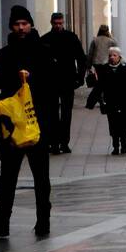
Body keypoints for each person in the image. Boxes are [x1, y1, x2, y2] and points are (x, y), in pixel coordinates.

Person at [0, 5, 55, 238]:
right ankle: (2, 221)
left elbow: (54, 87)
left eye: (24, 23)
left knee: (41, 176)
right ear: (11, 27)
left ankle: (43, 221)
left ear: (31, 25)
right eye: (17, 24)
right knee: (8, 174)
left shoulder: (43, 51)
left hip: (36, 123)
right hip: (10, 126)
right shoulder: (3, 54)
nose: (21, 27)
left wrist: (33, 79)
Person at [42, 12, 87, 154]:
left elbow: (80, 57)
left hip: (68, 80)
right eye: (56, 23)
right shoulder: (45, 39)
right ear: (51, 23)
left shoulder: (71, 37)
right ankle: (54, 142)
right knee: (52, 113)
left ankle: (64, 142)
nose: (58, 26)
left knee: (66, 113)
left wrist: (80, 77)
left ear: (63, 23)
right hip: (50, 81)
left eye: (60, 23)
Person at [96, 46, 126, 155]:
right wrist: (95, 101)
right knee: (113, 125)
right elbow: (99, 86)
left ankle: (124, 144)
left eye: (114, 55)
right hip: (111, 102)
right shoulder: (105, 69)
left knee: (125, 125)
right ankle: (115, 146)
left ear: (119, 57)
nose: (112, 57)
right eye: (110, 55)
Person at [85, 25, 114, 110]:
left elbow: (90, 54)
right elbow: (115, 52)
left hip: (97, 64)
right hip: (107, 64)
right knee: (103, 83)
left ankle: (94, 101)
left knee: (101, 83)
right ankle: (94, 101)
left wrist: (89, 65)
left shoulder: (95, 40)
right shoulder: (111, 41)